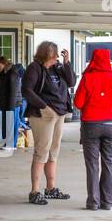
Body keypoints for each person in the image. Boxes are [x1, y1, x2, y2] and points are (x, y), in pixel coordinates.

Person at [21, 40, 75, 205]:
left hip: (59, 113)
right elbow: (26, 90)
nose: (56, 58)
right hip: (42, 114)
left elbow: (71, 82)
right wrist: (45, 107)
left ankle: (51, 188)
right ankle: (34, 191)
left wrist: (67, 64)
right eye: (53, 56)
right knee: (41, 151)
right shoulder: (34, 68)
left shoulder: (57, 67)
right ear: (45, 55)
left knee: (53, 151)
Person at [73, 48, 112, 210]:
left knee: (92, 164)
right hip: (110, 125)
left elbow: (78, 103)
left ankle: (93, 202)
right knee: (109, 163)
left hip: (91, 126)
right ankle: (107, 201)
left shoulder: (87, 78)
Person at [0, 56, 25, 152]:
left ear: (4, 63)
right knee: (7, 124)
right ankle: (8, 143)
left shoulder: (12, 73)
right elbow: (2, 88)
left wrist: (10, 107)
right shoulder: (3, 73)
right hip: (5, 103)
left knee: (12, 125)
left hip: (13, 104)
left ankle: (12, 145)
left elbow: (14, 91)